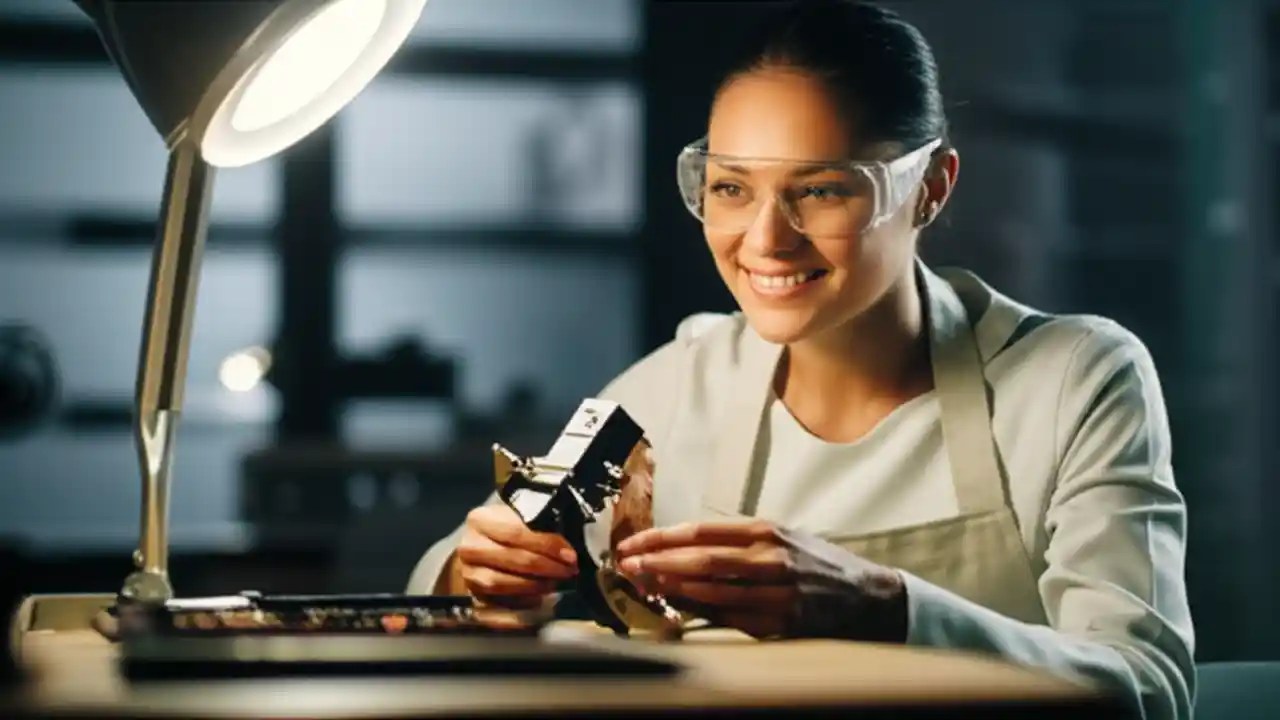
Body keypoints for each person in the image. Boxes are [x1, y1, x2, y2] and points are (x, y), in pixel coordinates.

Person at [407, 1, 1194, 718]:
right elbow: (442, 582)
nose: (765, 240)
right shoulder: (679, 383)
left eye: (820, 191)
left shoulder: (1075, 378)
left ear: (930, 189)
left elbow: (1149, 688)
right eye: (730, 188)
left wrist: (884, 607)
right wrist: (479, 575)